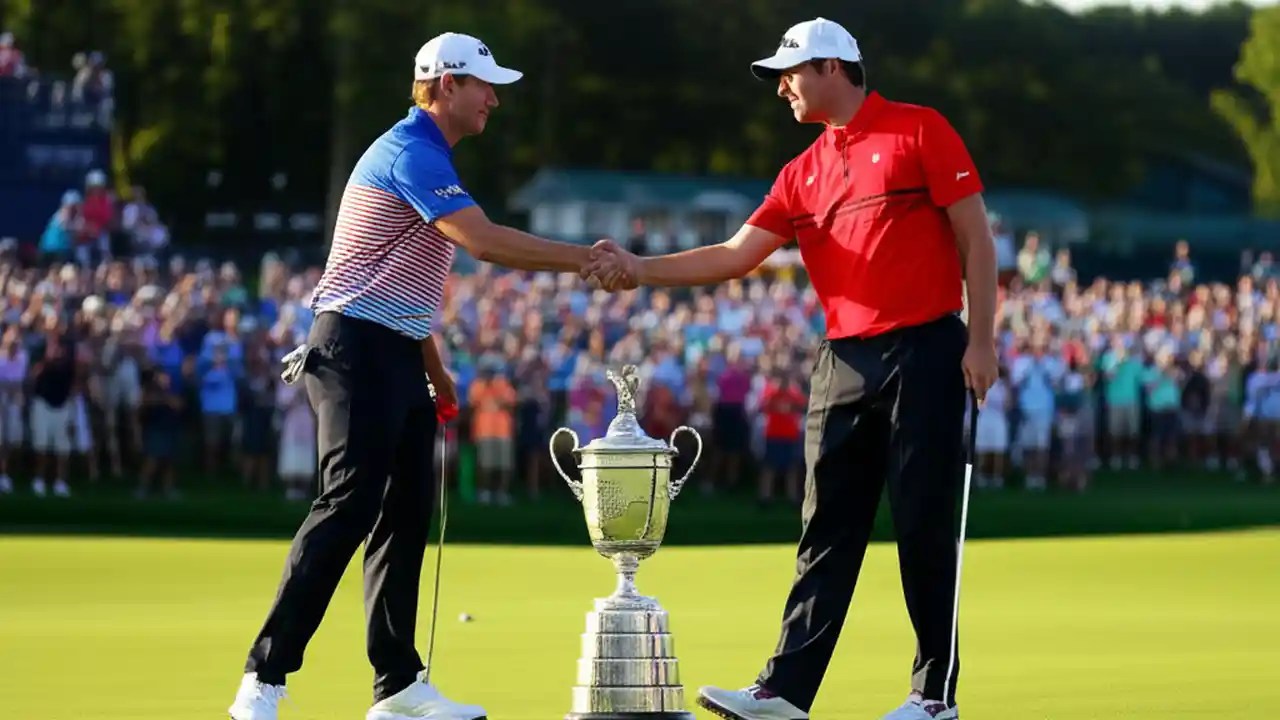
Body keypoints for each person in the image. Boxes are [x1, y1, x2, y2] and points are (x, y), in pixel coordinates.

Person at [585, 17, 998, 720]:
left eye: (791, 73)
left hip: (926, 349)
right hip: (841, 359)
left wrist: (981, 342)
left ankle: (934, 696)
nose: (782, 88)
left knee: (925, 524)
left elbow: (977, 240)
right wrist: (638, 269)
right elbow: (732, 255)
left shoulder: (919, 130)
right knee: (825, 530)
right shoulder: (799, 172)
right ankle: (785, 691)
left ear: (833, 68)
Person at [228, 31, 627, 720]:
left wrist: (436, 372)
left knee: (406, 515)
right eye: (483, 87)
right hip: (352, 349)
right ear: (446, 86)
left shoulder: (430, 155)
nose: (494, 100)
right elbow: (485, 241)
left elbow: (408, 291)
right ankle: (263, 679)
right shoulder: (409, 151)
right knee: (348, 506)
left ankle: (399, 685)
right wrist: (582, 258)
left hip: (397, 351)